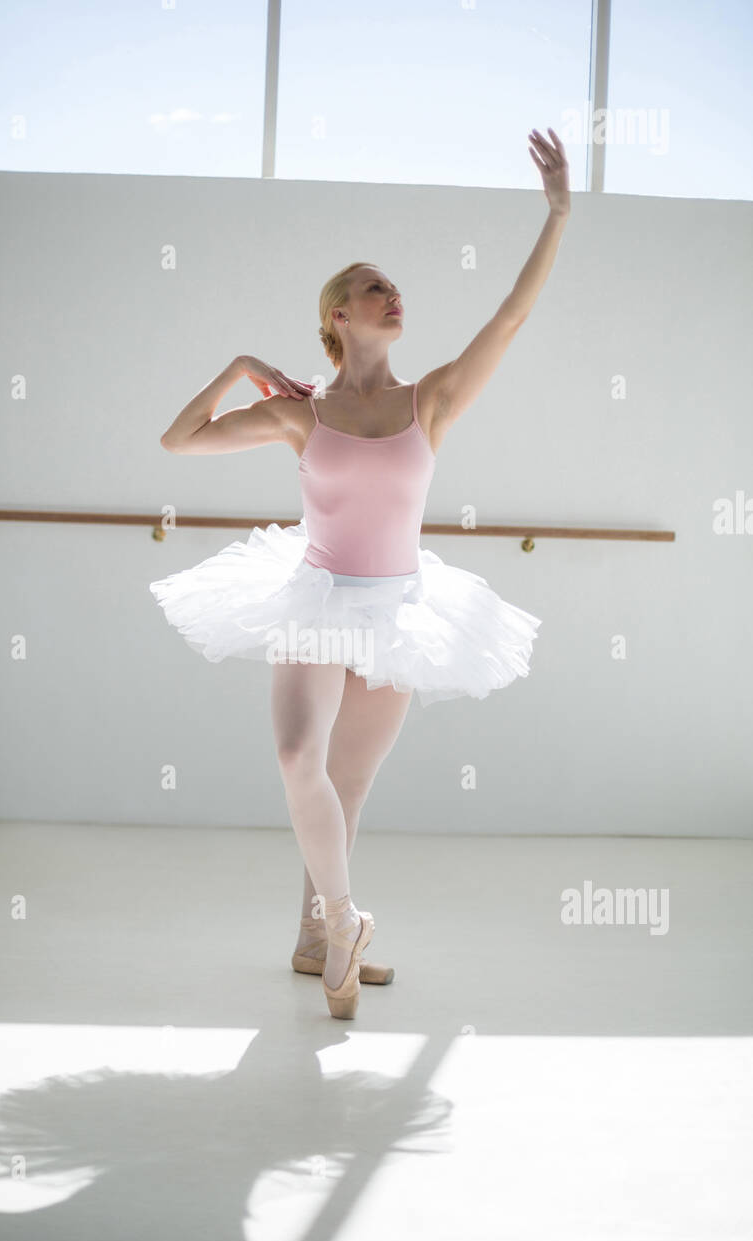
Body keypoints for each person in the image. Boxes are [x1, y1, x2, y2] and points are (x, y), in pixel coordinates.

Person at [151, 128, 570, 1021]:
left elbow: (511, 318)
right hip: (314, 597)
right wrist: (236, 367)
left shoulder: (434, 398)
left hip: (400, 610)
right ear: (337, 315)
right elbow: (179, 440)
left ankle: (313, 940)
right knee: (299, 758)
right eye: (373, 286)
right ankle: (345, 923)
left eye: (395, 288)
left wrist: (559, 213)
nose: (393, 294)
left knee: (345, 787)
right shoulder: (301, 412)